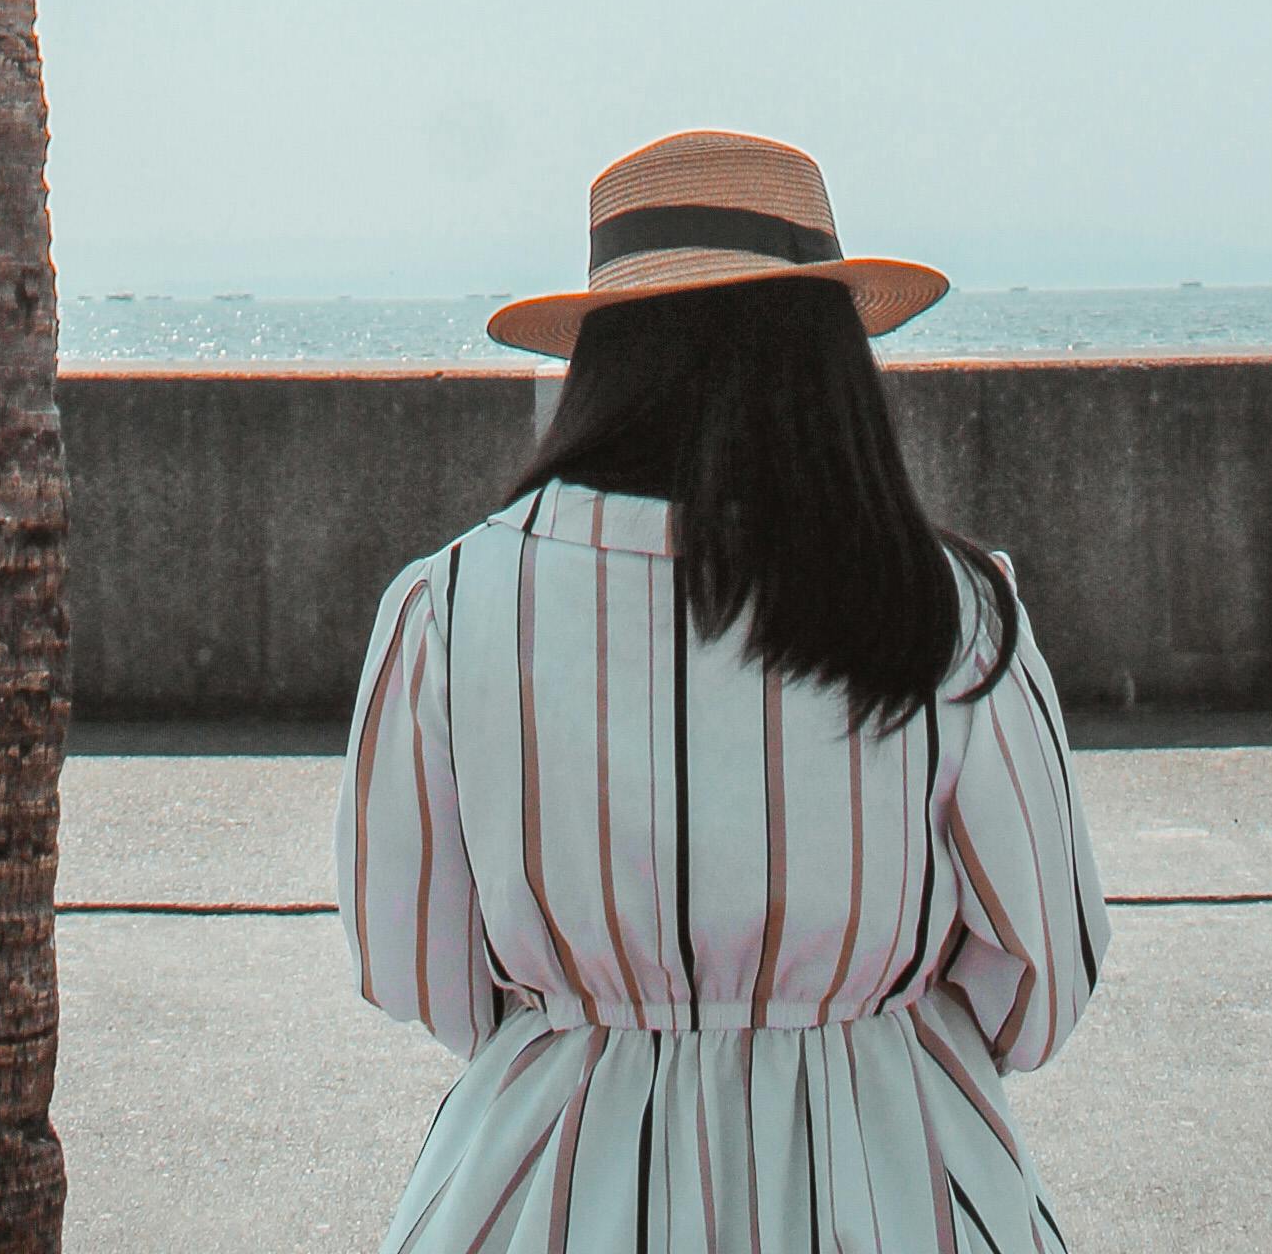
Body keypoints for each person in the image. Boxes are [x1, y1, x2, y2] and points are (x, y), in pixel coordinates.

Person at [338, 128, 1106, 1250]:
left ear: (603, 357)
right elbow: (1043, 976)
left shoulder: (447, 606)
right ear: (829, 355)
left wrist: (601, 1020)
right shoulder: (950, 604)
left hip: (545, 1174)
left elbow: (414, 962)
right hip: (894, 1172)